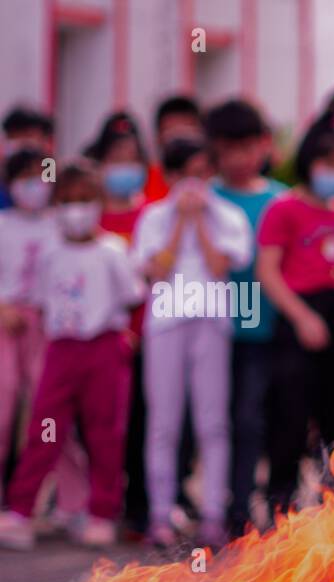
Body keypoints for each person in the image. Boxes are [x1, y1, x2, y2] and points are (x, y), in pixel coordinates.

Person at [0, 161, 144, 550]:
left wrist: (123, 336)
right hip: (62, 349)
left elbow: (132, 296)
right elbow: (45, 301)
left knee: (104, 432)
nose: (76, 209)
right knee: (45, 427)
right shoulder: (49, 252)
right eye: (67, 201)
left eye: (84, 200)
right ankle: (21, 510)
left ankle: (101, 512)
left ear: (98, 203)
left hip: (102, 348)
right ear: (57, 204)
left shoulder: (113, 250)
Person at [133, 138, 253, 548]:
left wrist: (199, 220)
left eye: (201, 173)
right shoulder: (152, 218)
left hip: (211, 322)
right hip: (166, 321)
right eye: (184, 173)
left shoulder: (229, 216)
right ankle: (160, 515)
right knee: (164, 421)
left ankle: (213, 515)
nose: (193, 183)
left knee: (212, 421)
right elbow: (156, 272)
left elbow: (221, 265)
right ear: (168, 176)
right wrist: (179, 222)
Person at [256, 129, 334, 515]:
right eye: (327, 163)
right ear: (309, 164)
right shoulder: (283, 209)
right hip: (299, 316)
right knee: (290, 416)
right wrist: (302, 317)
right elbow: (268, 272)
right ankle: (280, 505)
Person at [206, 98, 288, 536]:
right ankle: (215, 508)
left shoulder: (281, 201)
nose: (238, 159)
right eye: (227, 149)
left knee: (254, 419)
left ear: (263, 145)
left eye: (246, 147)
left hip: (266, 327)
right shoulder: (204, 199)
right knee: (214, 420)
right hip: (213, 329)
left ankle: (248, 505)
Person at [0, 148, 89, 526]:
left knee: (50, 415)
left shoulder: (59, 226)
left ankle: (74, 500)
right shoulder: (2, 224)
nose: (35, 185)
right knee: (2, 414)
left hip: (49, 327)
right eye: (26, 177)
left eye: (43, 176)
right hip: (5, 324)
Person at [85, 111, 152, 538]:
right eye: (115, 159)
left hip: (147, 336)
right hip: (99, 340)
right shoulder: (87, 221)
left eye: (132, 158)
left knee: (142, 424)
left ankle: (140, 506)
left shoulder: (153, 215)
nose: (124, 168)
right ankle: (93, 506)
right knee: (97, 425)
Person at [144, 95, 204, 202]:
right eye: (171, 130)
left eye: (186, 129)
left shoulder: (211, 178)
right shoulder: (144, 179)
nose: (179, 136)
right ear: (158, 137)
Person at [0, 107, 55, 209]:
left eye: (27, 135)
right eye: (14, 136)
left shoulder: (49, 166)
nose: (21, 142)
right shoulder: (4, 168)